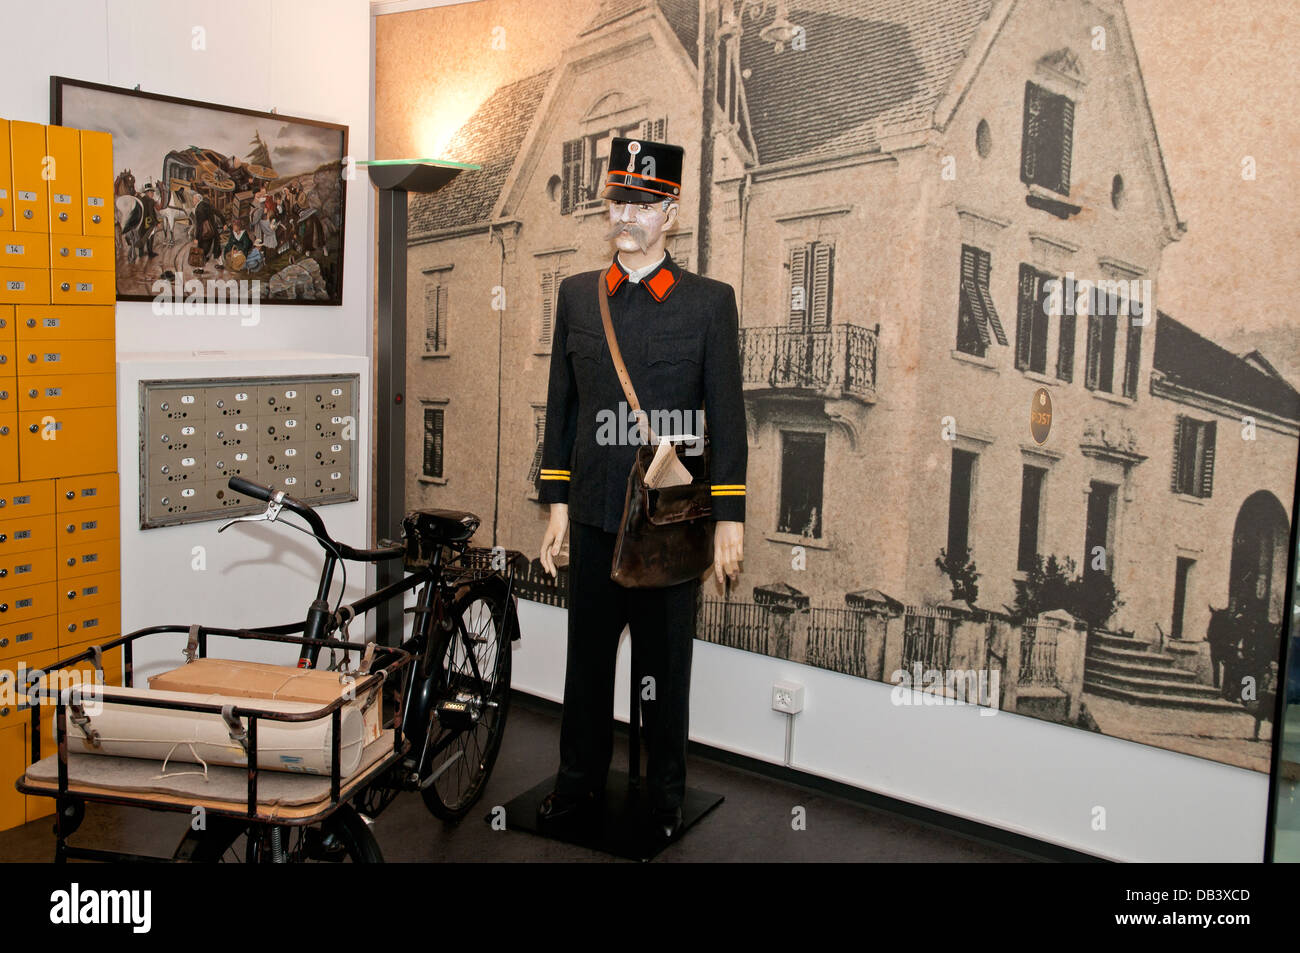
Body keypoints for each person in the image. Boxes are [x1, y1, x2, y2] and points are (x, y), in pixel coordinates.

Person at [536, 136, 747, 840]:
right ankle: (576, 788)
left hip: (665, 523)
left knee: (663, 675)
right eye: (616, 200)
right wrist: (557, 505)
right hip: (595, 517)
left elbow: (728, 417)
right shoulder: (575, 298)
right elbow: (561, 408)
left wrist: (729, 519)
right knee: (586, 670)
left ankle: (663, 799)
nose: (624, 215)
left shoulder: (708, 304)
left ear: (672, 213)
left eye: (641, 203)